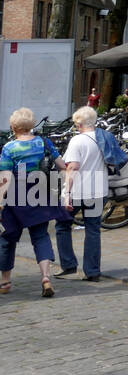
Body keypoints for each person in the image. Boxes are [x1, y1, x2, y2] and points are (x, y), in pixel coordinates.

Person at [0, 107, 70, 296]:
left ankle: (5, 282)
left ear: (13, 127)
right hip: (40, 191)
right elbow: (62, 165)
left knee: (7, 238)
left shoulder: (9, 148)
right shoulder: (43, 143)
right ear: (30, 125)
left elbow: (5, 177)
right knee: (40, 236)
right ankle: (46, 277)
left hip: (15, 195)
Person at [55, 106, 108, 282]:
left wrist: (67, 193)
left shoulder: (77, 141)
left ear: (79, 123)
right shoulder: (104, 138)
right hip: (99, 190)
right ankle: (92, 271)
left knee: (62, 225)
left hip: (78, 191)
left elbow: (72, 168)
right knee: (93, 230)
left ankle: (69, 265)